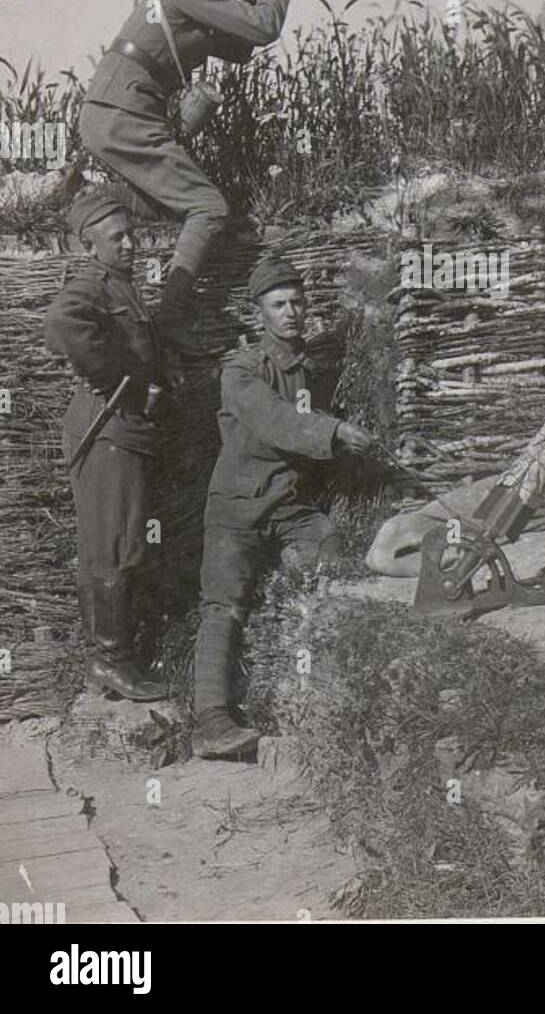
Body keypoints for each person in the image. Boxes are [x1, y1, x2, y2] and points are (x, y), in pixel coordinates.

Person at [78, 0, 289, 356]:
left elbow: (242, 46)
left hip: (118, 111)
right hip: (125, 113)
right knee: (208, 207)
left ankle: (85, 197)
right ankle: (172, 314)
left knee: (170, 205)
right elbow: (265, 27)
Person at [192, 258, 376, 759]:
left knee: (331, 553)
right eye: (279, 305)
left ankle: (325, 689)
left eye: (297, 301)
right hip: (238, 505)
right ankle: (211, 720)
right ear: (260, 315)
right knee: (224, 604)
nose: (291, 312)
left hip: (288, 504)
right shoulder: (242, 371)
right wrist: (333, 431)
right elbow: (275, 421)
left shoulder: (309, 370)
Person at [44, 190, 170, 701]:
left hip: (126, 431)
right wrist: (118, 378)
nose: (130, 244)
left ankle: (112, 657)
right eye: (116, 237)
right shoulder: (90, 284)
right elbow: (59, 325)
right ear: (89, 245)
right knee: (111, 546)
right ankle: (111, 661)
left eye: (131, 233)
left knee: (121, 542)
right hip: (106, 430)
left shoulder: (122, 286)